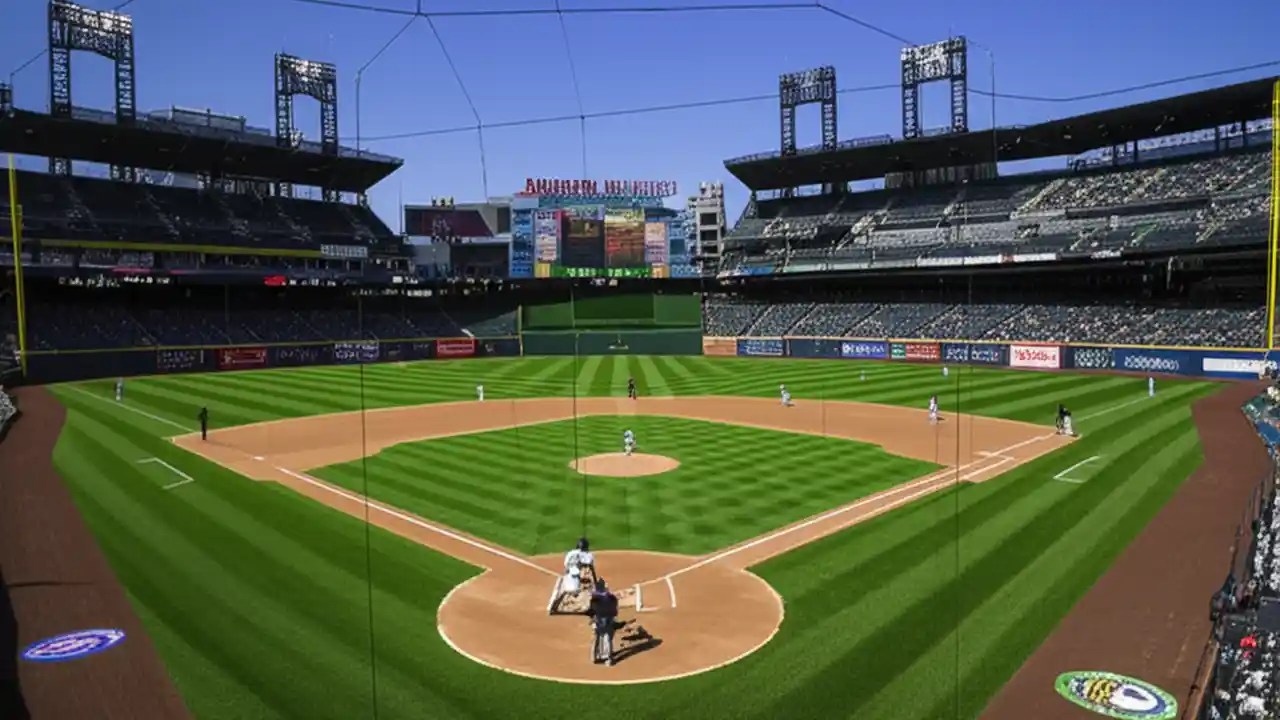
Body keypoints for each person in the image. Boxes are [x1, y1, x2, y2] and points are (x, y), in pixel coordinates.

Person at [548, 538, 596, 615]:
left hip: (568, 577)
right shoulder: (588, 555)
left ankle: (551, 607)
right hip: (576, 581)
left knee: (559, 589)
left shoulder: (570, 553)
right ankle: (592, 607)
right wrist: (594, 581)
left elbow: (566, 565)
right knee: (592, 588)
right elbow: (590, 568)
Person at [588, 578, 620, 666]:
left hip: (597, 621)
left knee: (595, 639)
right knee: (607, 639)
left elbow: (591, 612)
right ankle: (608, 659)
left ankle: (594, 657)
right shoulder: (611, 597)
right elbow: (615, 611)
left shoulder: (594, 599)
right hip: (608, 620)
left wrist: (592, 619)